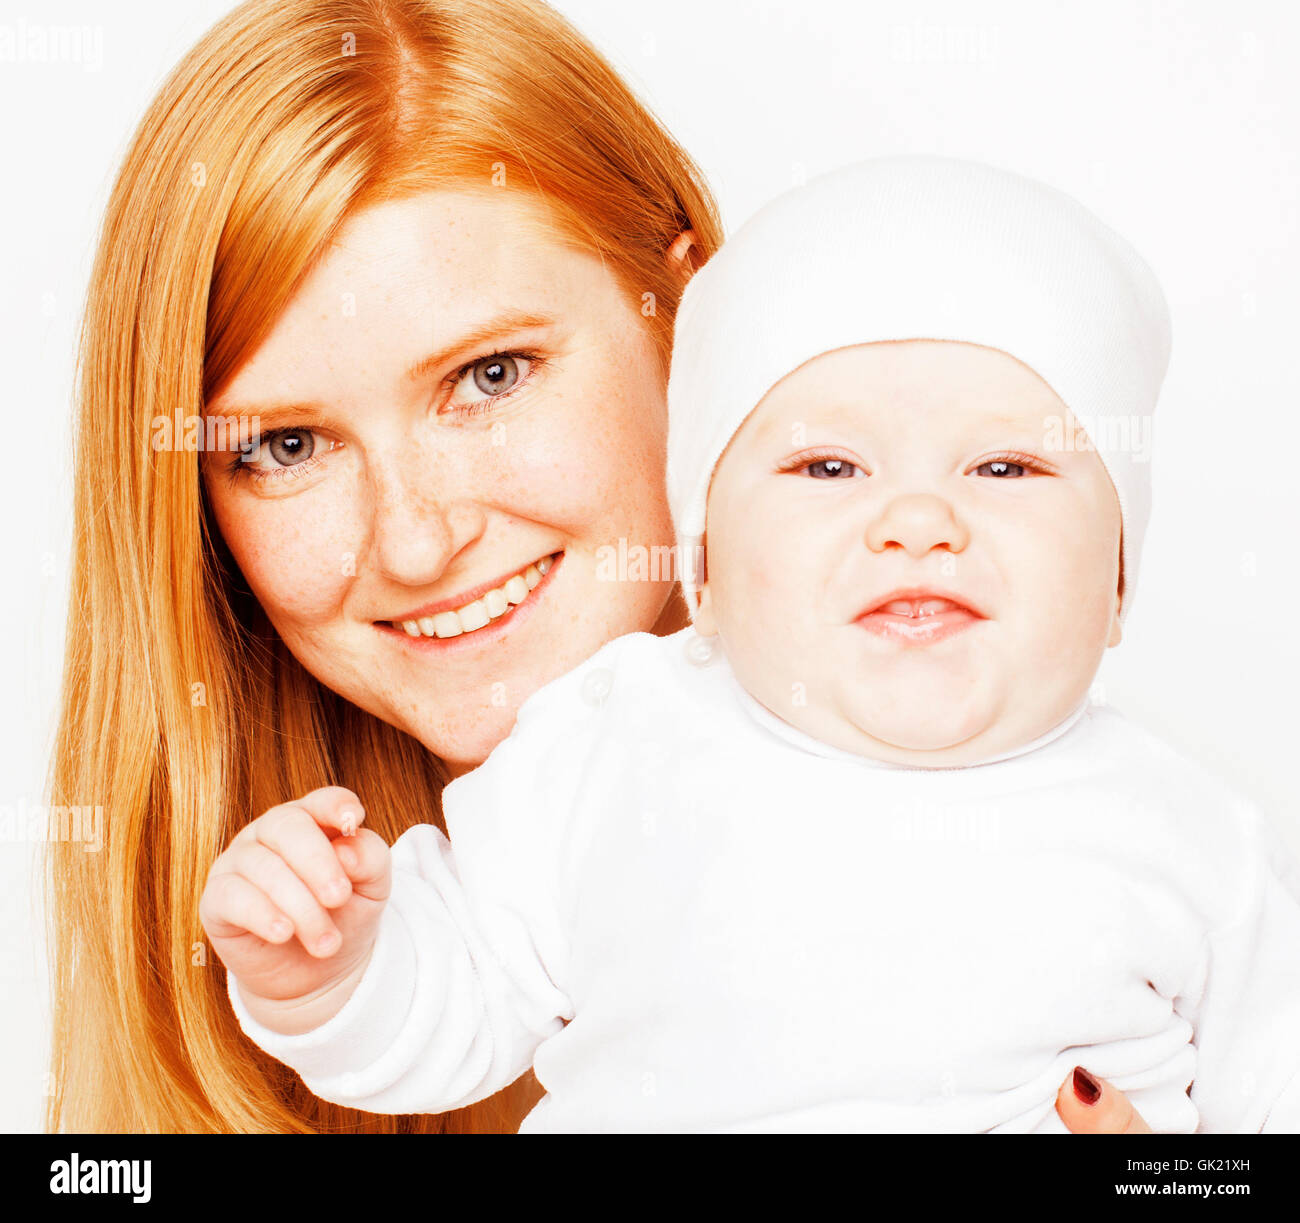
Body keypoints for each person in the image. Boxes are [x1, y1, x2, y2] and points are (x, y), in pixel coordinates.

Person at [48, 0, 1148, 1134]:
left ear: (692, 318)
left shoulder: (1101, 840)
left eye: (489, 376)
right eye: (287, 446)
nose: (417, 541)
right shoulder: (302, 950)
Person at [209, 159, 1300, 1131]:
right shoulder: (607, 746)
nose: (917, 522)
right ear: (706, 563)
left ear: (1116, 579)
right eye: (828, 468)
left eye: (1004, 469)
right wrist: (330, 967)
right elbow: (452, 997)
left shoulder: (1199, 843)